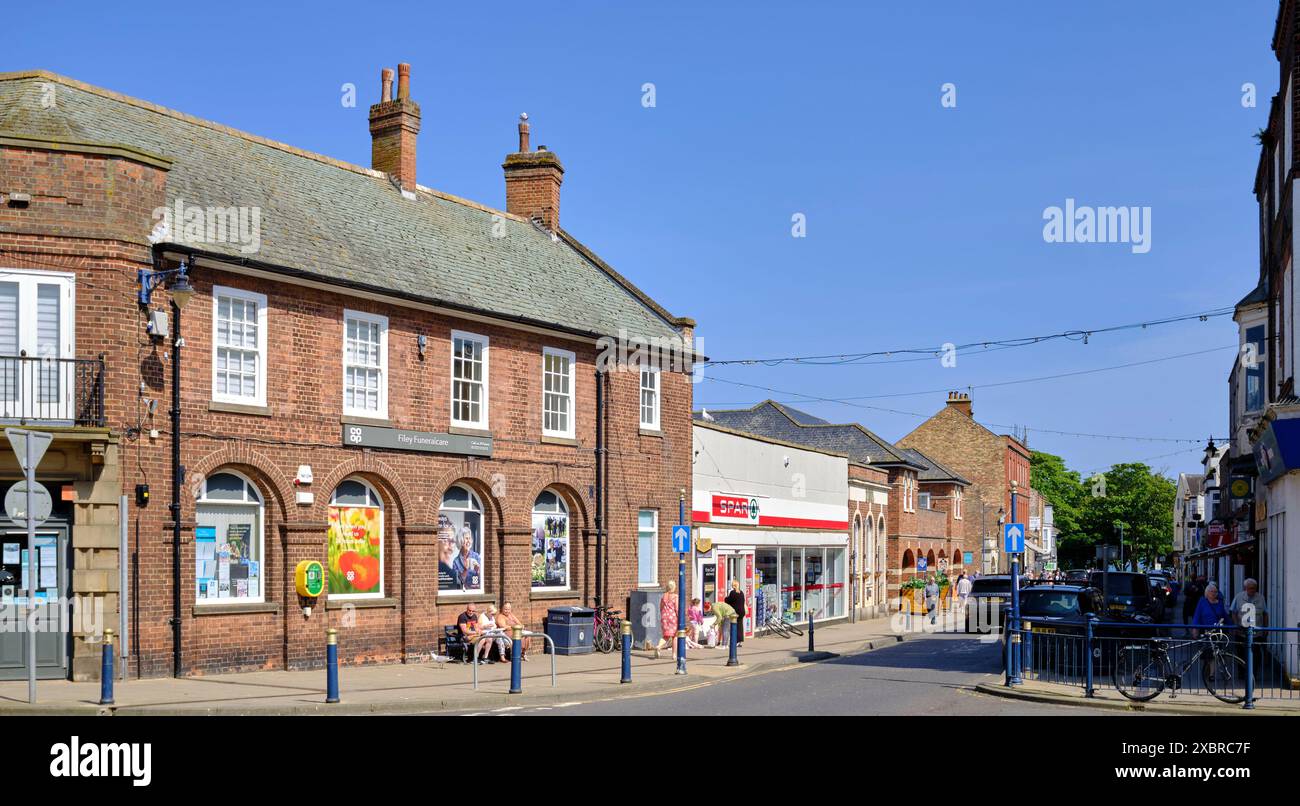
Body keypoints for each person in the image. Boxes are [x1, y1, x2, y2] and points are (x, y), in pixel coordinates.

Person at [656, 580, 679, 659]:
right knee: (674, 636)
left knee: (665, 636)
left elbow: (660, 607)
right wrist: (679, 617)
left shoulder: (663, 596)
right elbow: (677, 608)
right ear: (674, 587)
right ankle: (674, 654)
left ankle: (659, 646)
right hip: (673, 617)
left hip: (664, 617)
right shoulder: (675, 596)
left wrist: (663, 614)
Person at [724, 579, 747, 644]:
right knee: (740, 626)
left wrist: (726, 598)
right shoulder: (741, 592)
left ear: (733, 585)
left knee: (735, 626)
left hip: (736, 612)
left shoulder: (733, 592)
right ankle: (740, 640)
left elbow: (728, 601)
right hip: (742, 611)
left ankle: (736, 641)